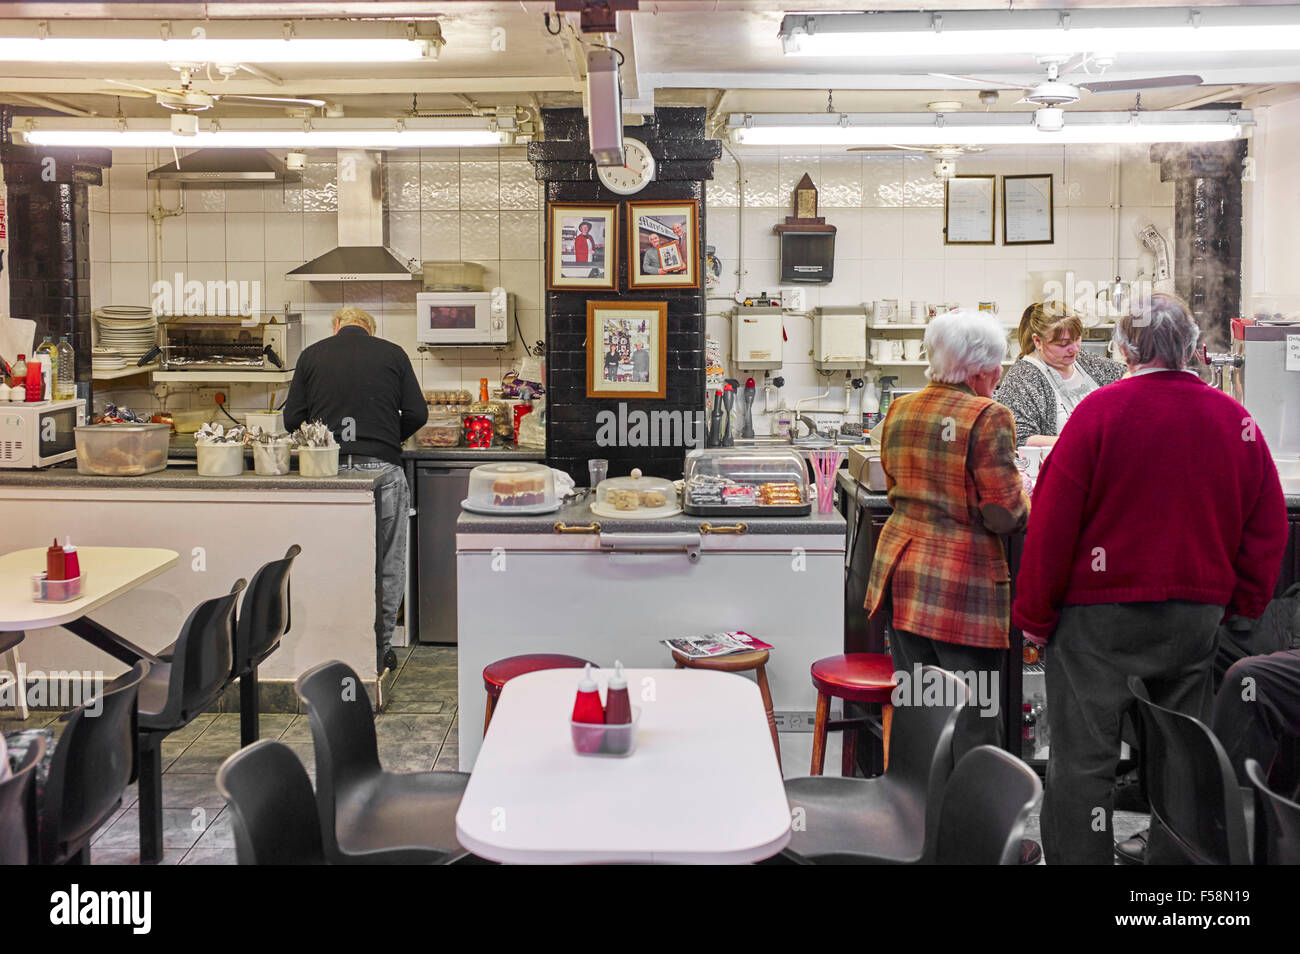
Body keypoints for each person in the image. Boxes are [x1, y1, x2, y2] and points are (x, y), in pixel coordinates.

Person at [1012, 293, 1289, 865]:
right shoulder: (1233, 419)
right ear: (1192, 348)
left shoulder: (1098, 413)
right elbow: (1268, 524)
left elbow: (1053, 525)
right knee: (1180, 755)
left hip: (1096, 621)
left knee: (1084, 762)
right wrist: (1242, 607)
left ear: (1124, 348)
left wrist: (1035, 618)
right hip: (1194, 616)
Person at [865, 309, 1028, 761]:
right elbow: (1004, 513)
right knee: (975, 724)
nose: (999, 374)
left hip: (904, 576)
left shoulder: (901, 407)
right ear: (979, 369)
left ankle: (918, 820)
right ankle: (974, 830)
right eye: (998, 366)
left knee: (920, 713)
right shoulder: (988, 415)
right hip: (962, 587)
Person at [283, 306, 428, 675]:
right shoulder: (393, 352)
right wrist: (384, 439)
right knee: (387, 564)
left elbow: (290, 420)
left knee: (332, 560)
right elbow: (418, 413)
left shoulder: (311, 355)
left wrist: (319, 441)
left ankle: (333, 648)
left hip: (327, 473)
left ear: (337, 327)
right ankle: (377, 653)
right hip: (382, 470)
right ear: (370, 330)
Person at [994, 301, 1125, 448]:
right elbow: (1018, 438)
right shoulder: (1021, 379)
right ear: (1038, 341)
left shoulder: (1085, 362)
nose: (1074, 349)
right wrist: (1081, 442)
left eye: (1077, 339)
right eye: (1063, 344)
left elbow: (1128, 375)